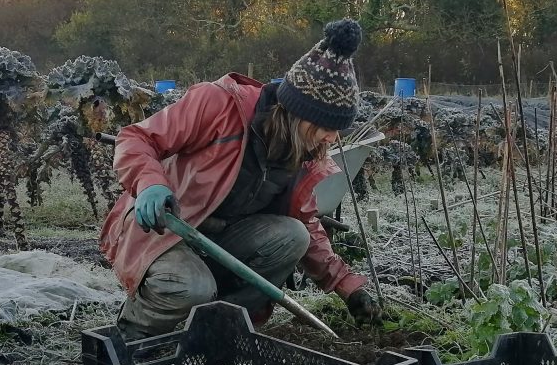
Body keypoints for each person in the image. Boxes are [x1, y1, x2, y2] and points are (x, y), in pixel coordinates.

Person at [101, 19, 382, 340]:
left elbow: (305, 225)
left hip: (224, 238)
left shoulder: (303, 151)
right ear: (295, 111)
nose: (332, 137)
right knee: (192, 287)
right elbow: (136, 138)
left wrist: (346, 285)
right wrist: (151, 182)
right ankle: (130, 336)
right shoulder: (220, 104)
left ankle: (219, 330)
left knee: (294, 236)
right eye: (325, 125)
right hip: (165, 228)